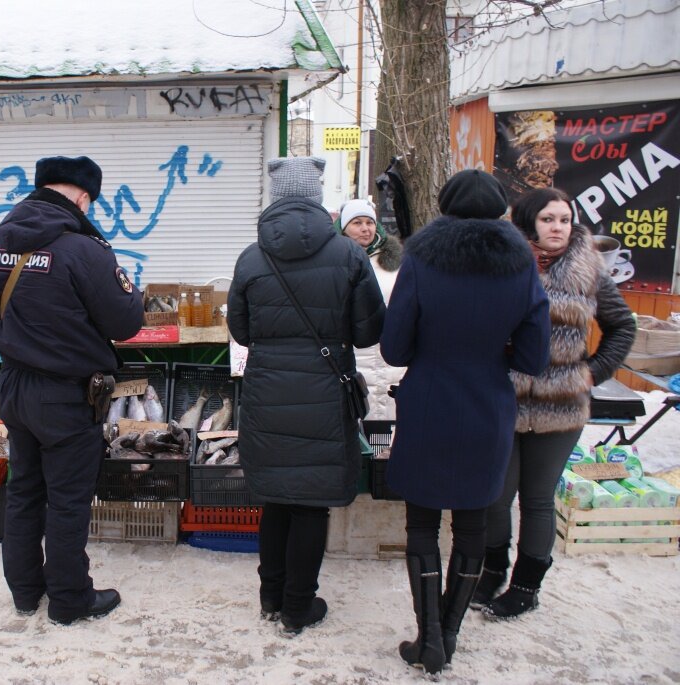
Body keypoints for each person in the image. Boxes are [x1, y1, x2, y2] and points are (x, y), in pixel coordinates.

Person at [380, 169, 551, 675]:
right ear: (502, 209)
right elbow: (533, 357)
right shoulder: (523, 266)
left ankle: (428, 636)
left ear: (445, 205)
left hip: (428, 399)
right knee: (473, 523)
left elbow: (393, 348)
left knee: (422, 523)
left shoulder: (422, 260)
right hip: (488, 406)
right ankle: (450, 634)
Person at [0, 155, 144, 626]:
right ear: (82, 196)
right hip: (66, 394)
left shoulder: (2, 240)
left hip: (15, 386)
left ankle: (26, 592)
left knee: (24, 492)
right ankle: (70, 600)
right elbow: (126, 321)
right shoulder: (84, 249)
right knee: (68, 500)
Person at [228, 157, 385, 636]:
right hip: (323, 390)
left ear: (275, 198)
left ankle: (270, 598)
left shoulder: (252, 257)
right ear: (317, 197)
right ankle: (298, 606)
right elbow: (367, 333)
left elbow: (241, 329)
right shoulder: (348, 255)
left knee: (275, 499)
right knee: (310, 503)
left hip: (268, 389)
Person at [474, 187, 635, 619]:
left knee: (538, 499)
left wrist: (590, 373)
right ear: (528, 222)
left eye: (564, 219)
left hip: (561, 406)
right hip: (503, 400)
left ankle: (526, 585)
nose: (558, 228)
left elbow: (622, 327)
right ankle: (492, 571)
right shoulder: (499, 265)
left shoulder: (590, 271)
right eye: (548, 219)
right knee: (495, 495)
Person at [337, 199, 404, 418]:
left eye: (369, 222)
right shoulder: (335, 262)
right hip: (354, 356)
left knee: (389, 424)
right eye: (357, 223)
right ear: (344, 228)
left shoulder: (395, 264)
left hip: (389, 359)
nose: (365, 229)